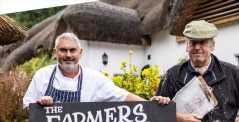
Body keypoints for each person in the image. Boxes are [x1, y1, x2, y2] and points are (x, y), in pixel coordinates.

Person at [23, 32, 169, 107]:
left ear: (80, 52)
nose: (68, 55)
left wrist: (151, 105)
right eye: (63, 50)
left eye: (72, 50)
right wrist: (40, 104)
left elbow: (123, 96)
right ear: (55, 52)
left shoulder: (94, 78)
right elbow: (28, 105)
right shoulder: (42, 75)